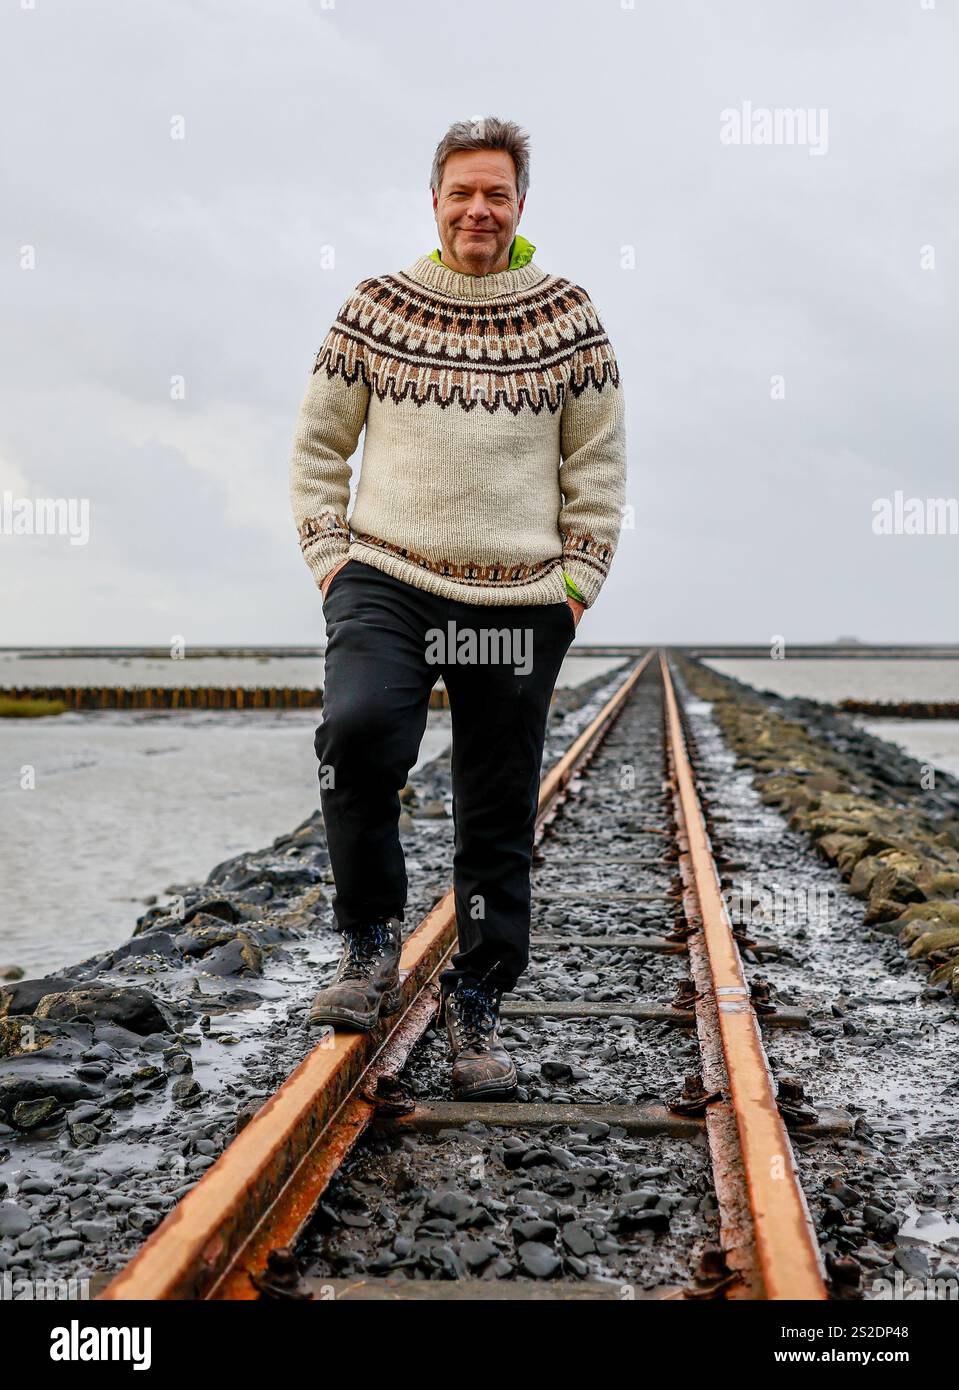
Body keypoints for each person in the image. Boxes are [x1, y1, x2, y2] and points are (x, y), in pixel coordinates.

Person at [288, 116, 627, 1099]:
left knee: (494, 807)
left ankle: (476, 1008)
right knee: (356, 734)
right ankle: (367, 946)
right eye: (460, 192)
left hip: (519, 600)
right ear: (433, 199)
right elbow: (317, 449)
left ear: (519, 206)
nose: (477, 209)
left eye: (496, 194)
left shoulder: (568, 317)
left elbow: (596, 470)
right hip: (385, 577)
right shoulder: (372, 308)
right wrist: (329, 561)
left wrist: (573, 589)